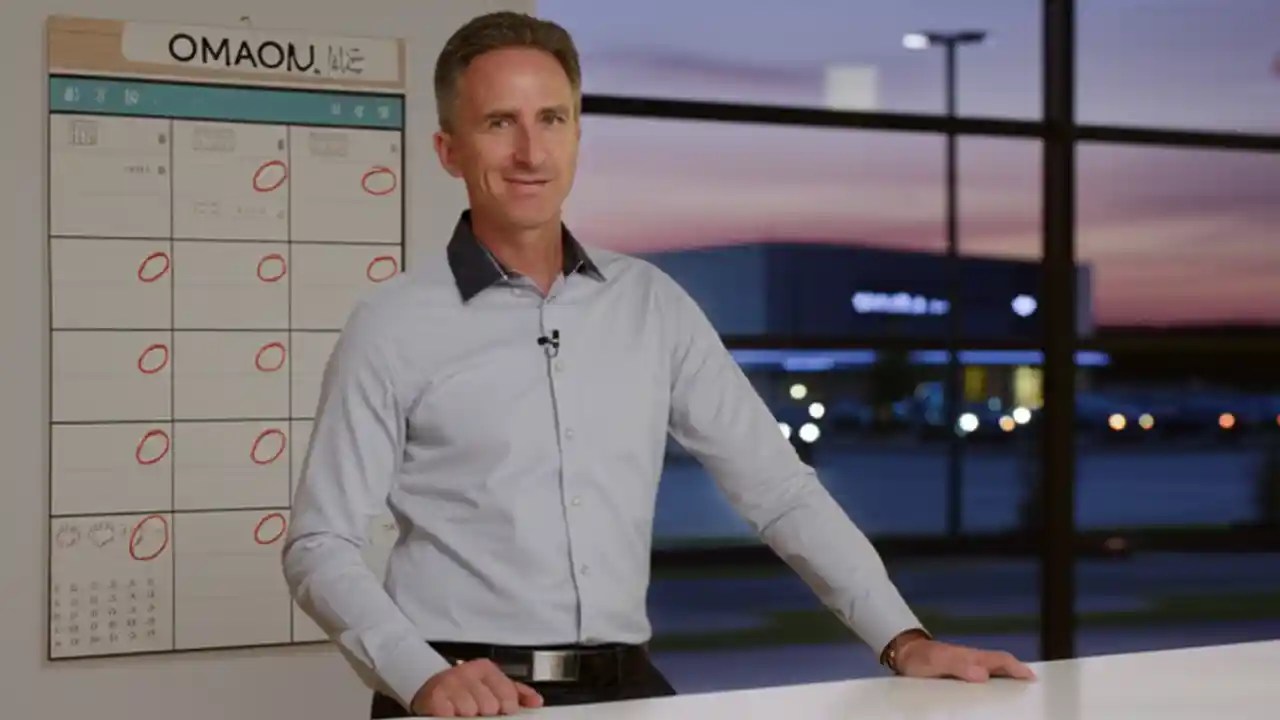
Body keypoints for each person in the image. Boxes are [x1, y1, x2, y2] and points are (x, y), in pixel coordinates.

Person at [282, 10, 1035, 719]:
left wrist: (903, 639)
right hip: (461, 695)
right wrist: (420, 675)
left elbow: (779, 492)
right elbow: (320, 545)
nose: (530, 152)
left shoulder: (652, 304)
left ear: (577, 134)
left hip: (626, 687)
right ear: (449, 149)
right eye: (498, 123)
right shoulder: (393, 323)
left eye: (552, 119)